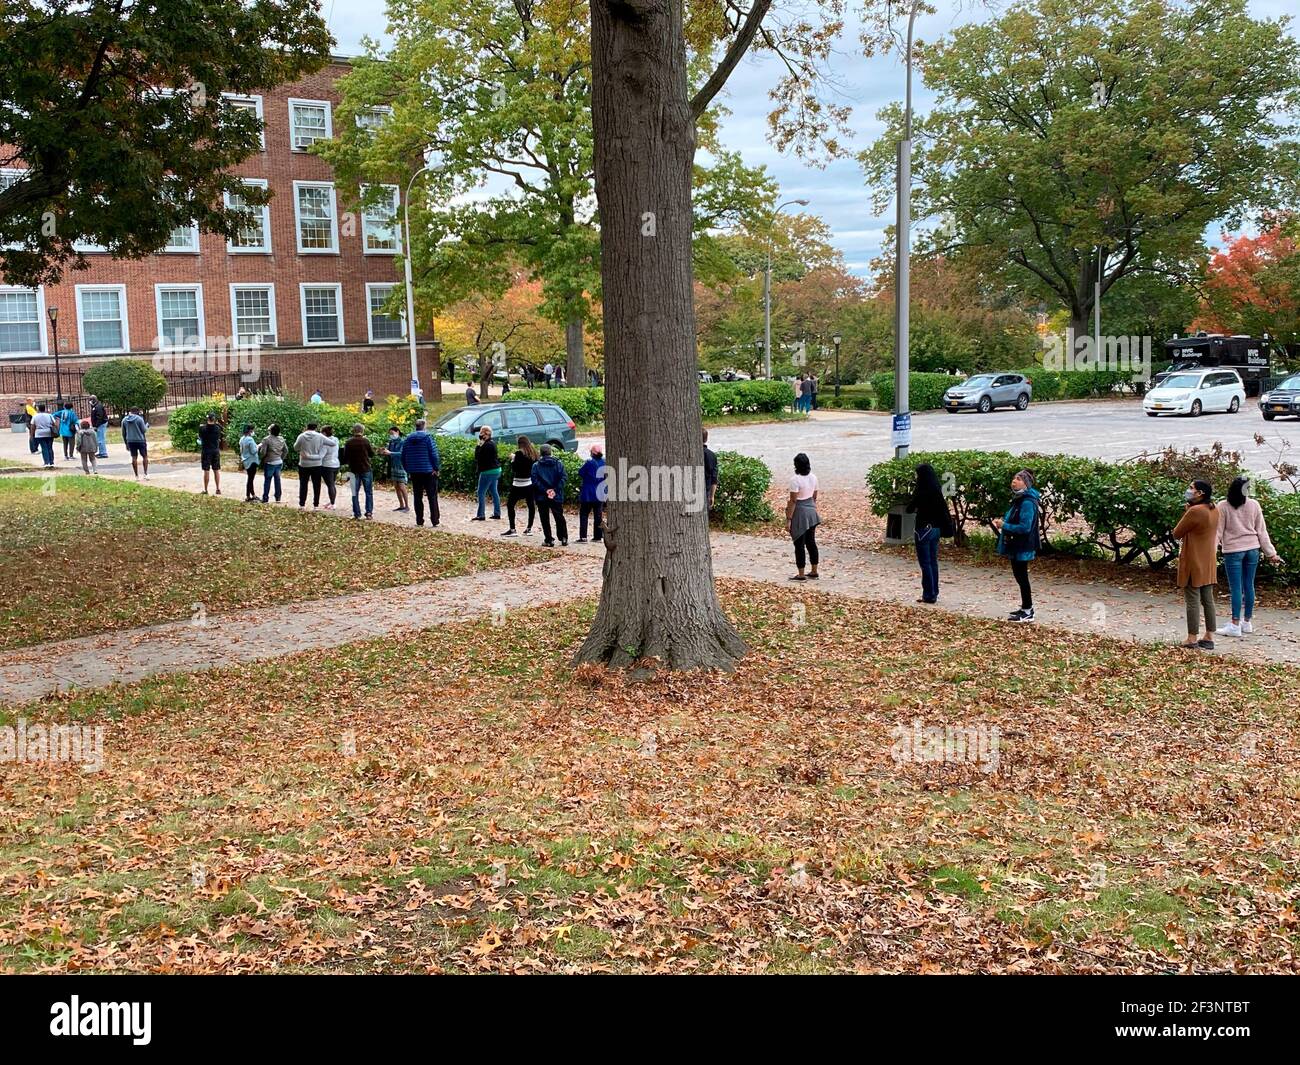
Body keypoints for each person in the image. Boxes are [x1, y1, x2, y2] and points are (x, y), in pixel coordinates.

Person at [1216, 476, 1283, 638]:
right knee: (1249, 585)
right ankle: (1247, 622)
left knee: (1236, 588)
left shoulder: (1222, 506)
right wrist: (1271, 553)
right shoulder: (1254, 505)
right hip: (1253, 549)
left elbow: (1217, 533)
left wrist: (1210, 553)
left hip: (1233, 551)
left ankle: (1234, 624)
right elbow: (1262, 531)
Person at [1173, 479, 1219, 650]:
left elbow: (1177, 533)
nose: (1188, 490)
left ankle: (1192, 637)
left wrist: (1188, 511)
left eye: (1191, 488)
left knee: (1192, 600)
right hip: (1208, 560)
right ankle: (1209, 636)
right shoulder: (1214, 509)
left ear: (1200, 493)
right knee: (1208, 600)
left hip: (1194, 560)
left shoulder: (1195, 511)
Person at [993, 469, 1041, 623]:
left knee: (1022, 577)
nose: (1014, 481)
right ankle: (1026, 608)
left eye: (1019, 479)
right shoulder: (1019, 499)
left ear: (1026, 484)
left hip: (1023, 546)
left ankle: (1028, 611)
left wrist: (1004, 525)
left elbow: (1025, 527)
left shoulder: (1027, 502)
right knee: (1019, 576)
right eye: (1014, 478)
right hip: (1017, 545)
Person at [907, 463, 955, 604]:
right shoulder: (936, 489)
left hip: (923, 529)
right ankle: (934, 592)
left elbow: (910, 508)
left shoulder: (921, 490)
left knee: (925, 563)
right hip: (936, 529)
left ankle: (928, 594)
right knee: (933, 562)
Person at [786, 453, 820, 580]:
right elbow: (814, 496)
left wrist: (789, 519)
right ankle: (814, 571)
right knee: (811, 542)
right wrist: (811, 507)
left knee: (799, 543)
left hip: (799, 511)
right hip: (811, 510)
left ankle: (801, 574)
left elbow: (793, 501)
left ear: (796, 465)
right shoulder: (814, 478)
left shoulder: (795, 480)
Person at [402, 418, 441, 527]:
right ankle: (435, 520)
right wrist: (436, 468)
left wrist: (408, 469)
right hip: (428, 471)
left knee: (417, 496)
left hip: (414, 472)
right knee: (432, 496)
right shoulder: (428, 438)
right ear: (424, 426)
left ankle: (419, 520)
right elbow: (434, 454)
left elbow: (403, 456)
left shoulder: (407, 439)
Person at [532, 445, 568, 545]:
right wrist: (555, 490)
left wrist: (545, 490)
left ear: (541, 453)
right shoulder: (558, 464)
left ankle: (549, 539)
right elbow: (564, 478)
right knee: (559, 516)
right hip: (556, 494)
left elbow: (535, 481)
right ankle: (563, 537)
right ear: (550, 452)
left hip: (541, 496)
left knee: (544, 518)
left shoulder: (536, 465)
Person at [502, 435, 537, 536]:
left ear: (520, 444)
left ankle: (512, 529)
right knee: (531, 506)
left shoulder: (519, 453)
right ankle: (529, 528)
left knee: (510, 505)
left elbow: (515, 468)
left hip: (518, 484)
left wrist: (513, 459)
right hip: (529, 483)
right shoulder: (533, 453)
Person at [342, 424, 375, 520]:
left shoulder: (348, 442)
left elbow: (345, 457)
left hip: (353, 470)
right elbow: (371, 454)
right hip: (366, 469)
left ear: (354, 431)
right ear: (362, 431)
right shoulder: (365, 441)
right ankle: (369, 513)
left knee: (354, 493)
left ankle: (357, 513)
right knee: (368, 492)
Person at [294, 422, 327, 509]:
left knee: (303, 484)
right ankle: (316, 505)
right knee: (317, 485)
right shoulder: (320, 436)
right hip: (317, 464)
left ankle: (302, 504)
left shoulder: (301, 436)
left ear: (306, 427)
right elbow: (329, 444)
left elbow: (295, 447)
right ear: (316, 428)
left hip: (304, 463)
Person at [473, 424, 501, 521]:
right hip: (496, 470)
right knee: (494, 491)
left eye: (481, 433)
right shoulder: (492, 443)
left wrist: (479, 445)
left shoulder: (485, 445)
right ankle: (497, 513)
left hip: (487, 472)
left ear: (484, 434)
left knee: (481, 492)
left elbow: (477, 457)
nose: (480, 435)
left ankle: (481, 514)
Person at [578, 444, 606, 542]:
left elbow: (580, 472)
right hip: (600, 493)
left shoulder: (589, 463)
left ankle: (583, 537)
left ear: (592, 453)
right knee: (598, 515)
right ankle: (598, 536)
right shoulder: (605, 462)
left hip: (588, 493)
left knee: (584, 514)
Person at [380, 426, 409, 512]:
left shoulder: (403, 442)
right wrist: (384, 451)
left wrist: (390, 453)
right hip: (393, 465)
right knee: (396, 486)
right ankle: (401, 505)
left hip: (401, 465)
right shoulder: (391, 442)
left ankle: (407, 506)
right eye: (390, 434)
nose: (391, 435)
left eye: (392, 433)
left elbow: (402, 453)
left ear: (398, 432)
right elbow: (389, 452)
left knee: (401, 485)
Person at [258, 423, 287, 503]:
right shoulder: (281, 439)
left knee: (267, 480)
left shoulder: (266, 439)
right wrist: (281, 458)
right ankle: (278, 497)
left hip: (269, 462)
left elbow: (263, 452)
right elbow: (286, 450)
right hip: (278, 462)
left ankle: (265, 498)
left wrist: (261, 457)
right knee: (277, 480)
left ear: (270, 430)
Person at [197, 411, 223, 495]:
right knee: (216, 470)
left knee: (206, 470)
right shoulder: (218, 428)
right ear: (214, 419)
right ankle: (218, 488)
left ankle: (205, 489)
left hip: (206, 451)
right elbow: (219, 436)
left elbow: (200, 437)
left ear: (207, 418)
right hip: (215, 450)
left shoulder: (202, 428)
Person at [120, 407, 149, 478]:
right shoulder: (139, 419)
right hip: (140, 440)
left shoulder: (124, 420)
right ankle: (145, 474)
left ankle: (136, 475)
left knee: (134, 457)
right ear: (137, 412)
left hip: (130, 441)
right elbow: (144, 430)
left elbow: (123, 433)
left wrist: (126, 443)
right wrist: (147, 426)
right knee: (144, 456)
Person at [320, 426, 340, 509]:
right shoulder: (336, 439)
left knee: (330, 485)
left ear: (324, 433)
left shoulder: (325, 443)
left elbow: (321, 455)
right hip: (336, 464)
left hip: (327, 465)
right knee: (332, 484)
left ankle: (333, 503)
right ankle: (332, 501)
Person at [238, 424, 259, 501]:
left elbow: (241, 450)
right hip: (252, 461)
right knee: (250, 479)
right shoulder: (250, 439)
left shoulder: (242, 439)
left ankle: (252, 495)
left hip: (245, 460)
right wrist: (258, 446)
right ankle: (248, 496)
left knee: (250, 478)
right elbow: (253, 451)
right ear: (250, 431)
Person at [31, 402, 56, 467]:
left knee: (44, 447)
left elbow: (33, 426)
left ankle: (46, 462)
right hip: (49, 432)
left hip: (39, 433)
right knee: (50, 447)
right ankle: (51, 462)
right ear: (44, 409)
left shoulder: (35, 416)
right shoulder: (49, 415)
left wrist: (32, 434)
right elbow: (54, 424)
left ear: (38, 409)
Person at [702, 429, 718, 511]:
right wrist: (712, 496)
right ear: (706, 439)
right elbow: (714, 478)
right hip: (706, 491)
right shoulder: (711, 455)